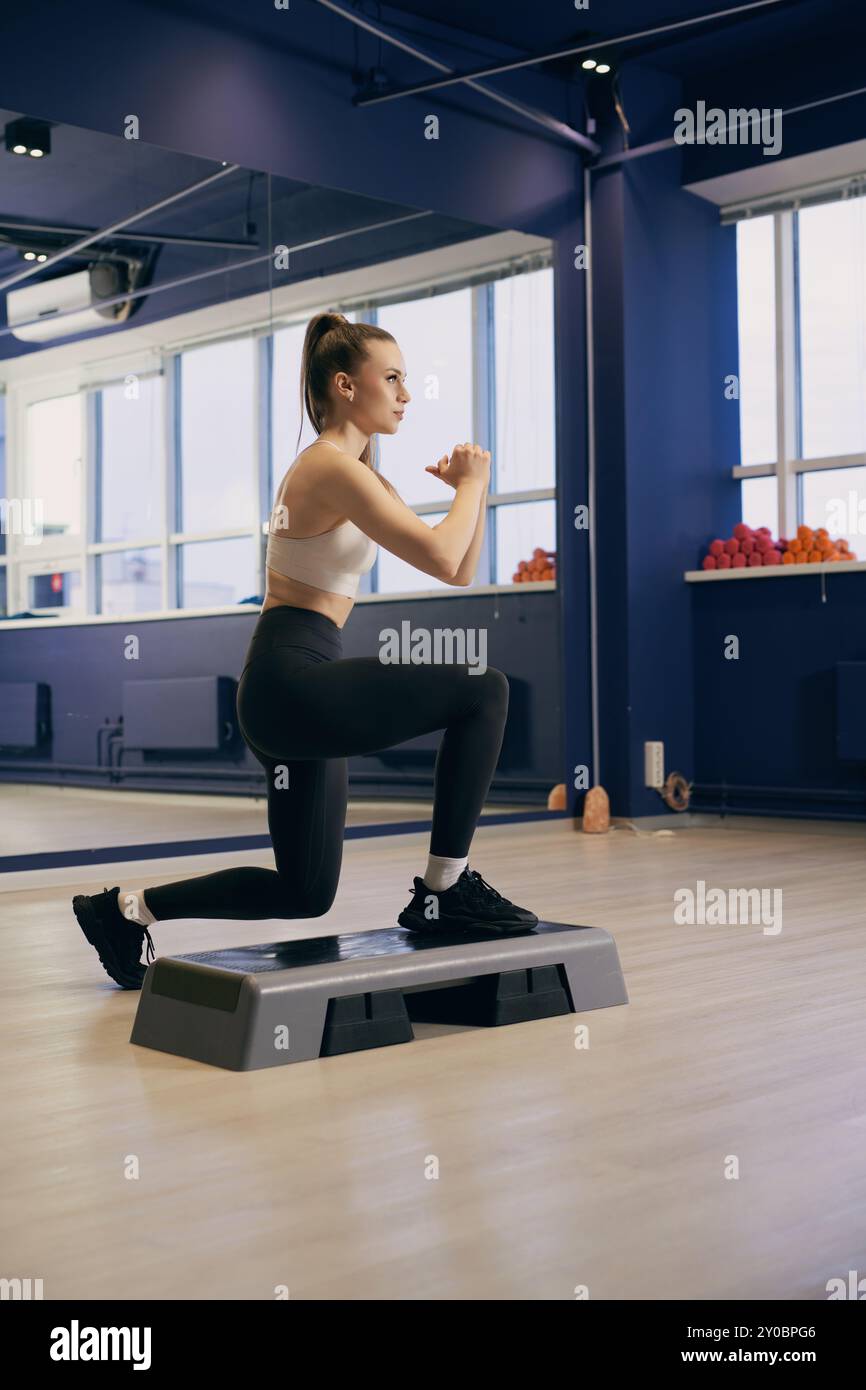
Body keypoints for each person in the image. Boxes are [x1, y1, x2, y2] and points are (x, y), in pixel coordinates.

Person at [74, 311, 538, 989]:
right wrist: (469, 486)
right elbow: (443, 555)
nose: (407, 393)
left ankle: (126, 911)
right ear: (347, 387)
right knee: (484, 688)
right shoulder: (326, 468)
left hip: (299, 685)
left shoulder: (366, 478)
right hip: (287, 676)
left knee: (305, 891)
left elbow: (460, 567)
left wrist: (477, 487)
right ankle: (445, 891)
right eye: (394, 378)